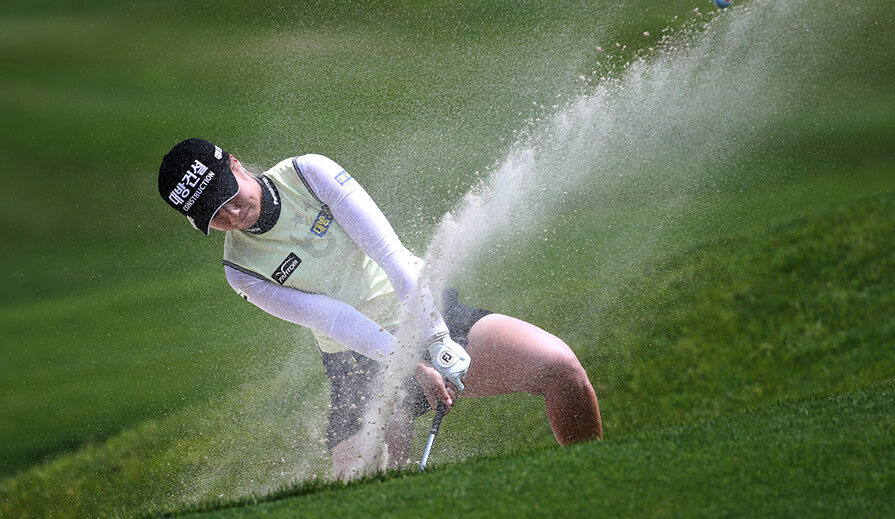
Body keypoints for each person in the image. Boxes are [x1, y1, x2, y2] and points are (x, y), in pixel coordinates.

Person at [158, 138, 602, 479]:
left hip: (425, 312)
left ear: (235, 165)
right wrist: (412, 365)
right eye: (214, 215)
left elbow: (394, 258)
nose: (232, 216)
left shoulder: (309, 174)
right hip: (357, 363)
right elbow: (332, 318)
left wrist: (437, 342)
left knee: (560, 368)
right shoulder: (241, 271)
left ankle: (596, 480)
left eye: (228, 196)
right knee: (364, 493)